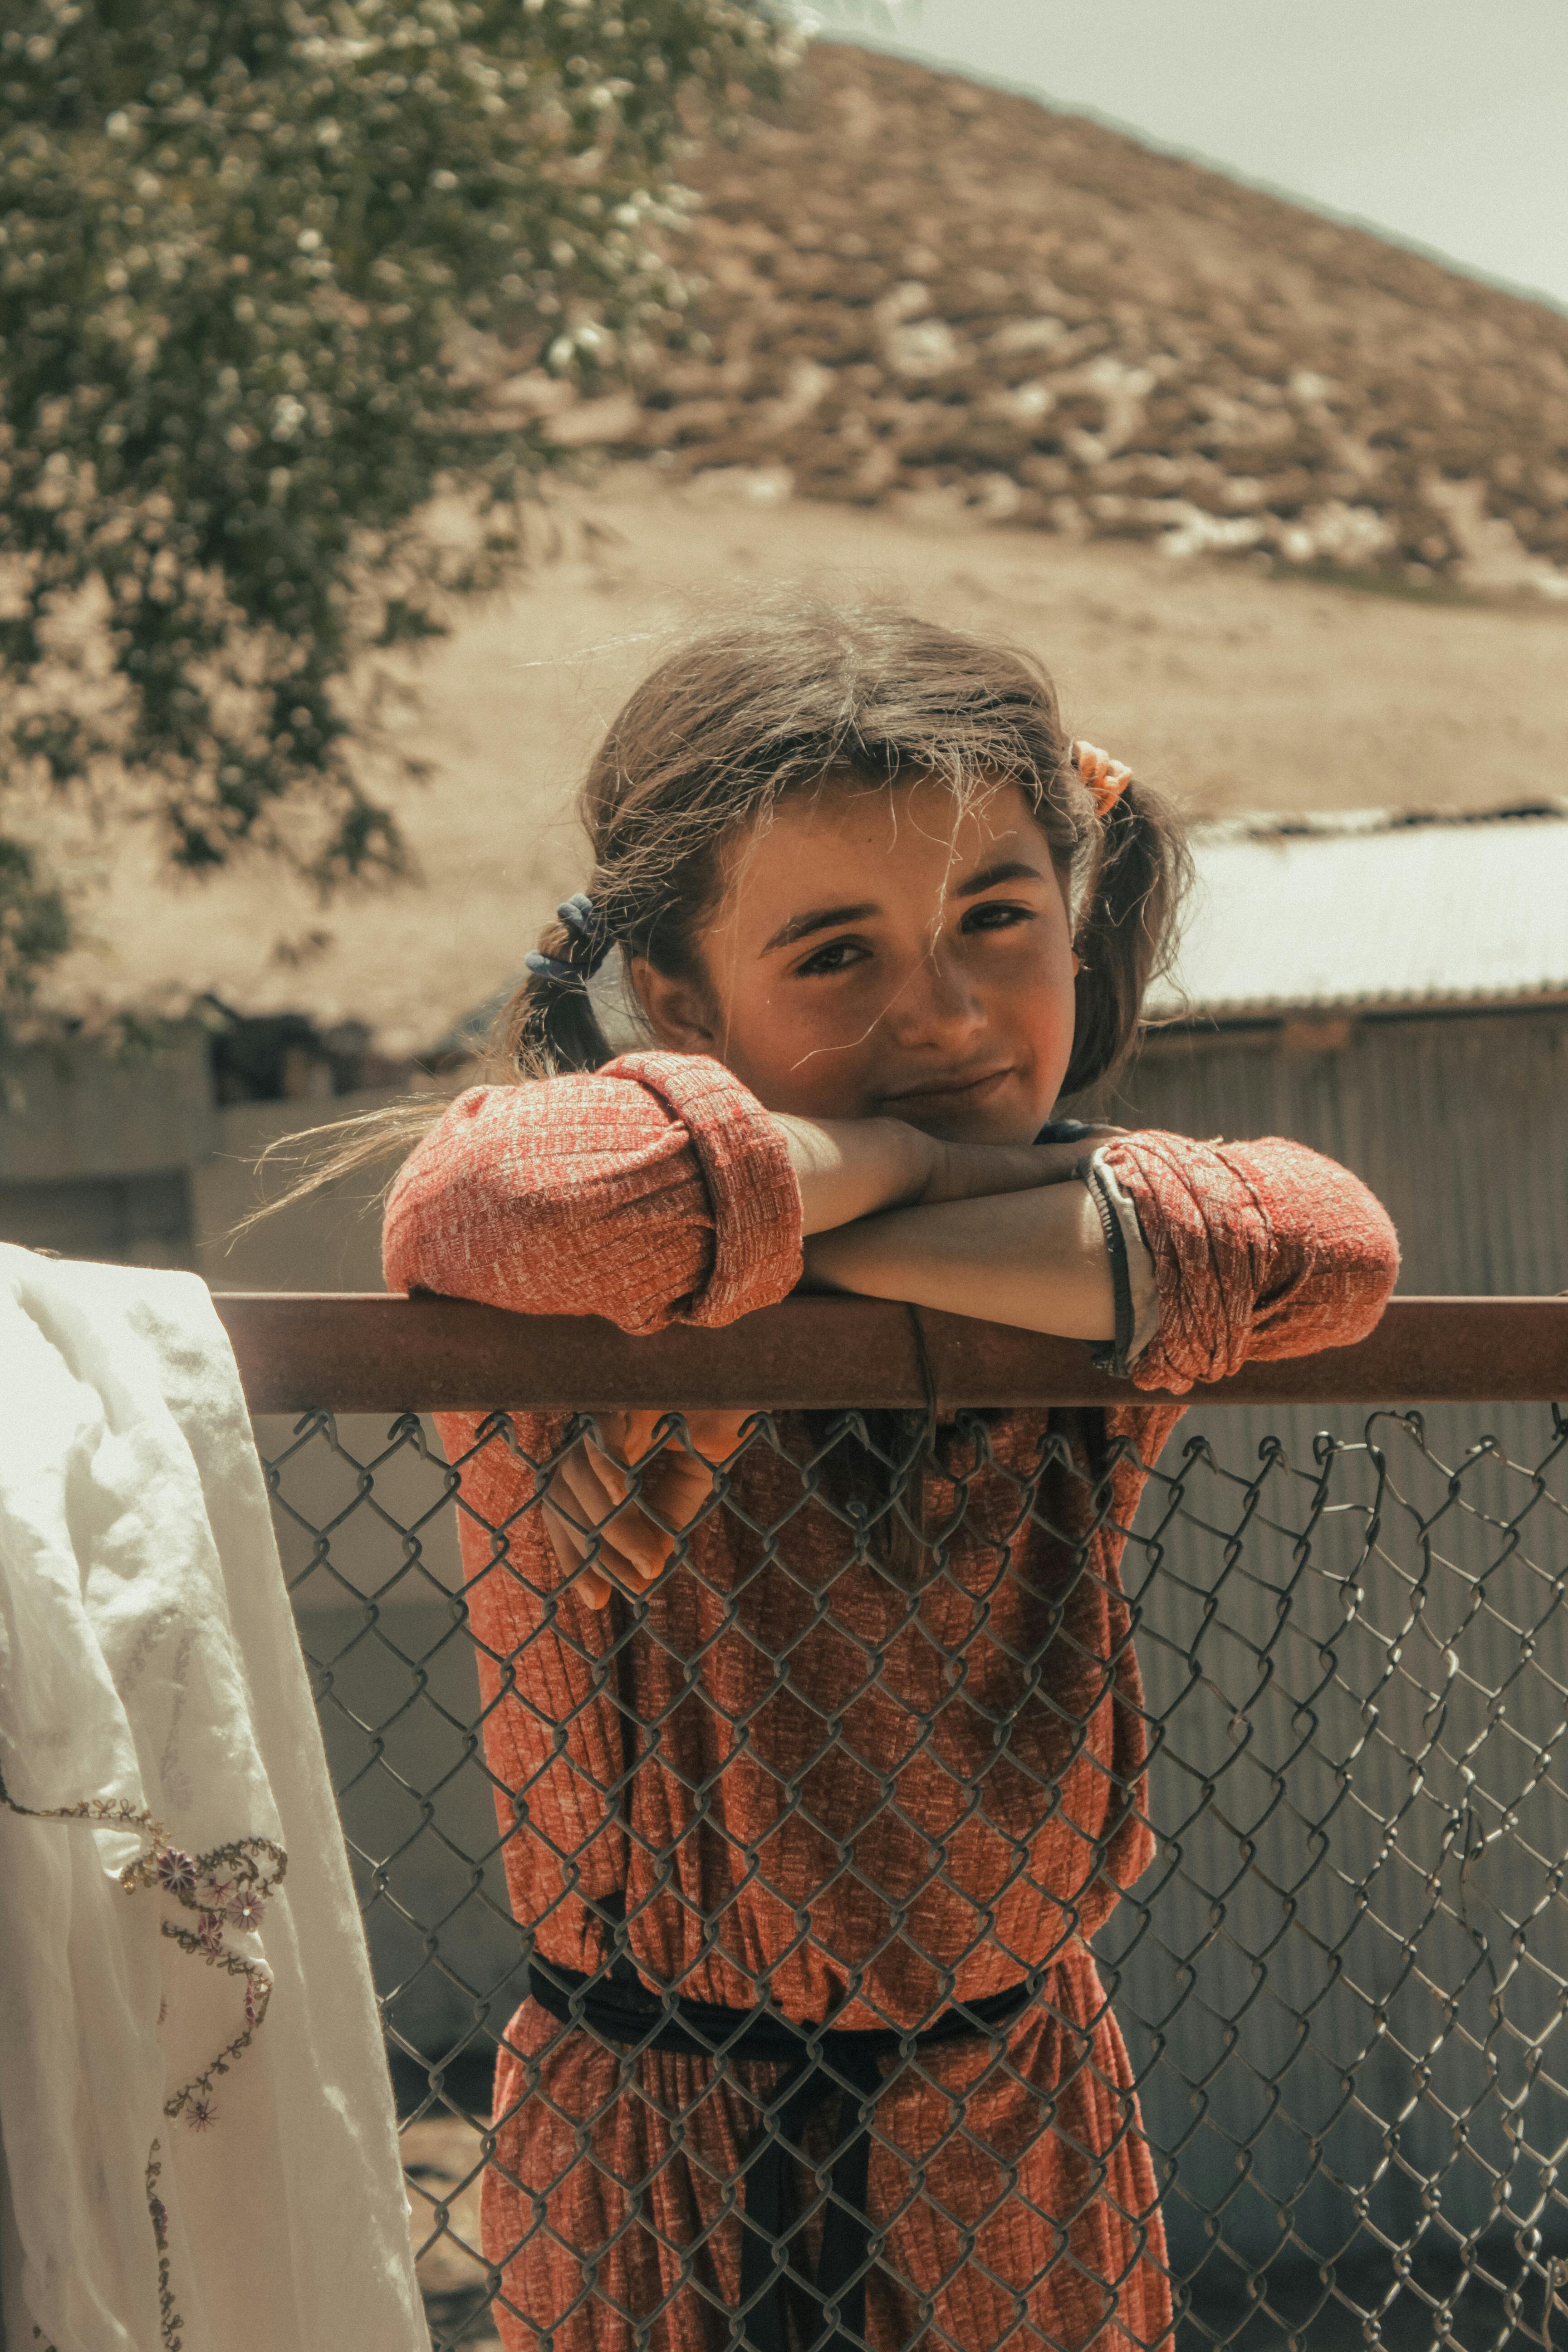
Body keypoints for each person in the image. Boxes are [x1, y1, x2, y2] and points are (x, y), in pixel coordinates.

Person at [371, 608, 1400, 2352]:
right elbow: (496, 1206)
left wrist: (833, 1228)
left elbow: (1332, 1247)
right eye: (835, 955)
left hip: (1017, 2127)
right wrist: (929, 1175)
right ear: (677, 1001)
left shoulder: (1057, 1230)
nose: (942, 1010)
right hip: (666, 2148)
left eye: (996, 918)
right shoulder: (608, 1251)